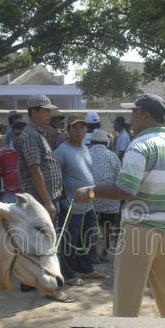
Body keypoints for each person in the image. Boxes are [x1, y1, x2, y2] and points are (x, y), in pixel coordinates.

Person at [73, 94, 165, 328]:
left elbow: (126, 188)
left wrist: (90, 191)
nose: (131, 118)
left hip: (140, 230)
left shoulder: (140, 146)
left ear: (145, 116)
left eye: (134, 113)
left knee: (128, 293)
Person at [17, 93, 76, 301]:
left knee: (38, 244)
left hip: (42, 200)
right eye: (46, 110)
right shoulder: (32, 135)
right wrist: (48, 201)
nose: (49, 114)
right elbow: (35, 171)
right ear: (34, 112)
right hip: (41, 201)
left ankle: (32, 283)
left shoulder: (37, 133)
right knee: (49, 246)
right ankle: (52, 288)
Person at [53, 114, 105, 281]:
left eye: (82, 127)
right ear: (67, 130)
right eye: (74, 127)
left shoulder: (85, 148)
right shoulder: (61, 151)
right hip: (70, 205)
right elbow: (55, 178)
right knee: (69, 241)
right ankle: (68, 274)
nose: (79, 131)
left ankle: (86, 269)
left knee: (87, 238)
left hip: (88, 203)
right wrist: (63, 200)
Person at [87, 128, 121, 263]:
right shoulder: (113, 156)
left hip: (91, 197)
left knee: (92, 226)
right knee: (109, 226)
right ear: (106, 143)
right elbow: (119, 177)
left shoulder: (86, 154)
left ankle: (94, 254)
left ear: (92, 142)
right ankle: (105, 252)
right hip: (110, 199)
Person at [0, 134, 20, 203]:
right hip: (10, 195)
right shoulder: (2, 153)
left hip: (30, 194)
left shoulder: (32, 150)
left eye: (22, 135)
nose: (19, 137)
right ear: (12, 135)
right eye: (17, 134)